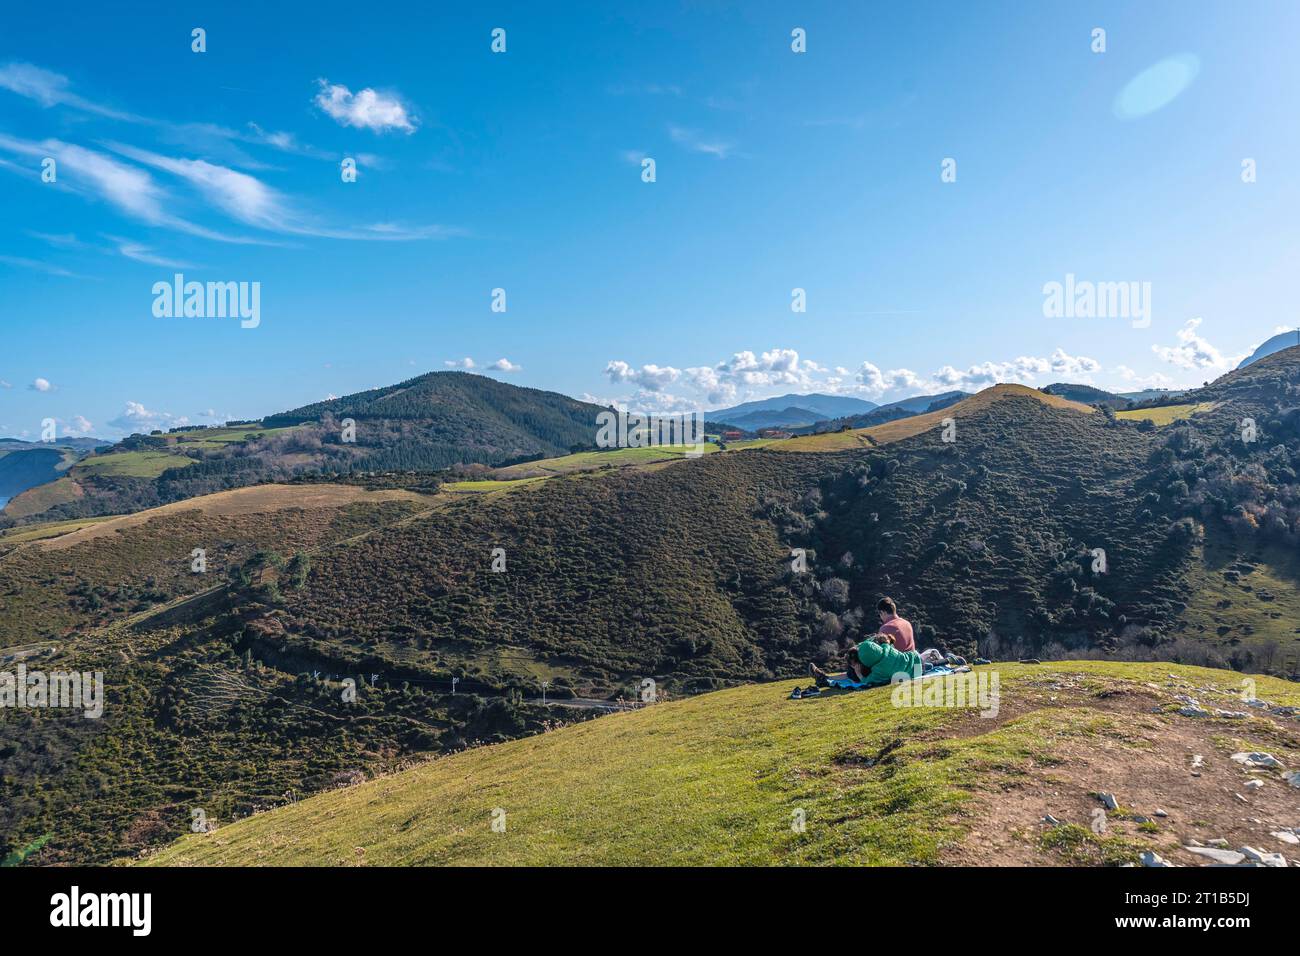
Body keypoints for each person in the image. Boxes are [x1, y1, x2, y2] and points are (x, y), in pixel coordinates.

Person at [809, 632, 922, 688]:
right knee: (930, 654)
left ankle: (825, 678)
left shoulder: (879, 670)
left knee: (852, 673)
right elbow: (884, 641)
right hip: (914, 657)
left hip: (916, 668)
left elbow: (866, 682)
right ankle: (825, 677)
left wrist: (859, 674)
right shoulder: (886, 648)